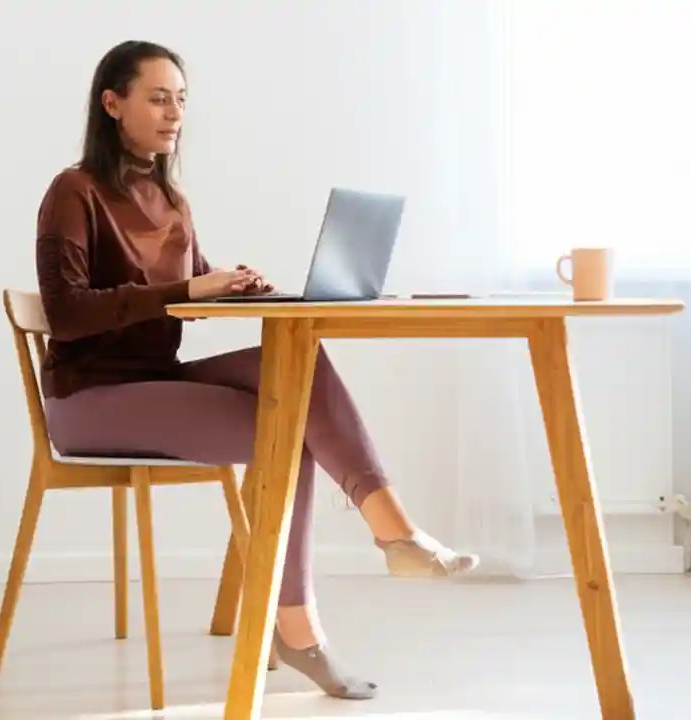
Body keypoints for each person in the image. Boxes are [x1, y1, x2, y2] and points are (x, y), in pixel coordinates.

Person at [35, 40, 479, 700]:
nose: (173, 113)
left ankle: (392, 536)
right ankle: (311, 622)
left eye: (181, 99)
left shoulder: (170, 200)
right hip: (90, 396)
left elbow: (189, 286)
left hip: (156, 376)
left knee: (295, 369)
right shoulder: (74, 192)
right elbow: (68, 313)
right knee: (284, 431)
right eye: (157, 98)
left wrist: (238, 288)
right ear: (112, 103)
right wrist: (187, 293)